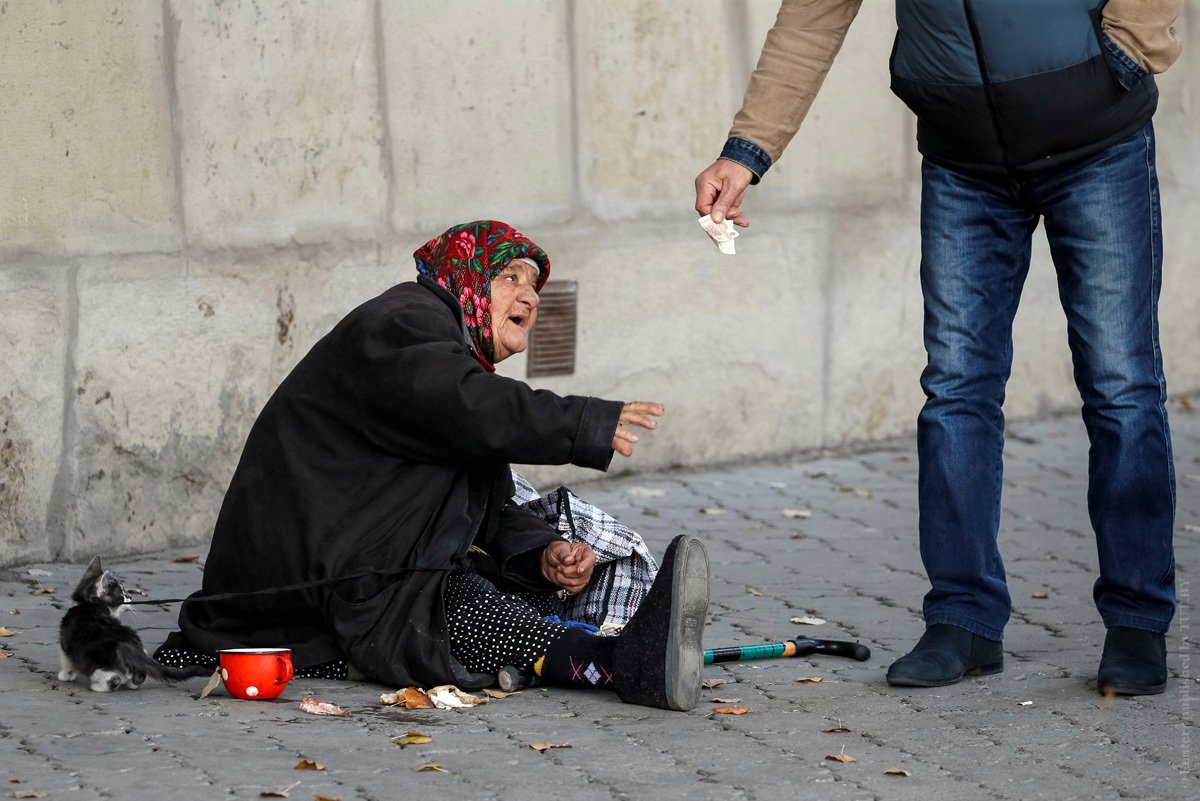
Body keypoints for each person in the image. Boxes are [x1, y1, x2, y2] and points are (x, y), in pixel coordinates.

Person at [694, 1, 1182, 695]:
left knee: (1121, 386)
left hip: (1095, 141)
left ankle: (1136, 620)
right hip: (963, 160)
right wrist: (747, 150)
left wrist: (1126, 54)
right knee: (955, 391)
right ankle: (963, 618)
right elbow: (811, 17)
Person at [155, 219, 710, 711]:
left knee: (512, 573)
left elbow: (482, 501)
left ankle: (607, 650)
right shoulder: (400, 325)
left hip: (359, 566)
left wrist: (541, 555)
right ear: (464, 278)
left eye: (534, 285)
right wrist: (581, 421)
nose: (530, 296)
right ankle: (612, 662)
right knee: (451, 606)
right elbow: (467, 405)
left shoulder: (445, 349)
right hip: (304, 591)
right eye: (509, 277)